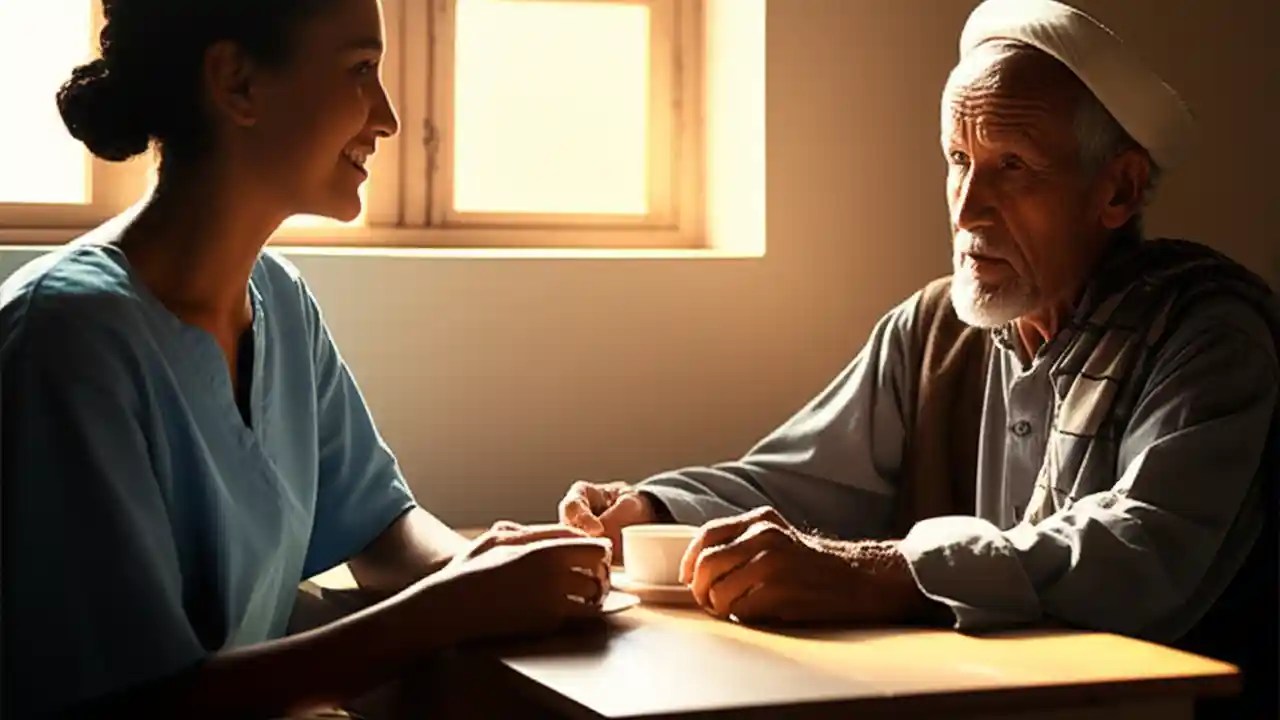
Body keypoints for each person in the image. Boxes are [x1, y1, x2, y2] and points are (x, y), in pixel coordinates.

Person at [558, 0, 1278, 716]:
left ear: (1116, 189)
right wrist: (649, 509)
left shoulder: (1208, 338)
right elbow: (802, 480)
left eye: (1013, 166)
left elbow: (1137, 550)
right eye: (959, 161)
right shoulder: (931, 329)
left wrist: (887, 573)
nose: (967, 209)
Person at [0, 1, 610, 717]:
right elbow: (139, 701)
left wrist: (484, 564)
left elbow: (380, 529)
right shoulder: (68, 338)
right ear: (238, 83)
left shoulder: (279, 302)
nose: (386, 117)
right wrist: (448, 608)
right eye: (360, 70)